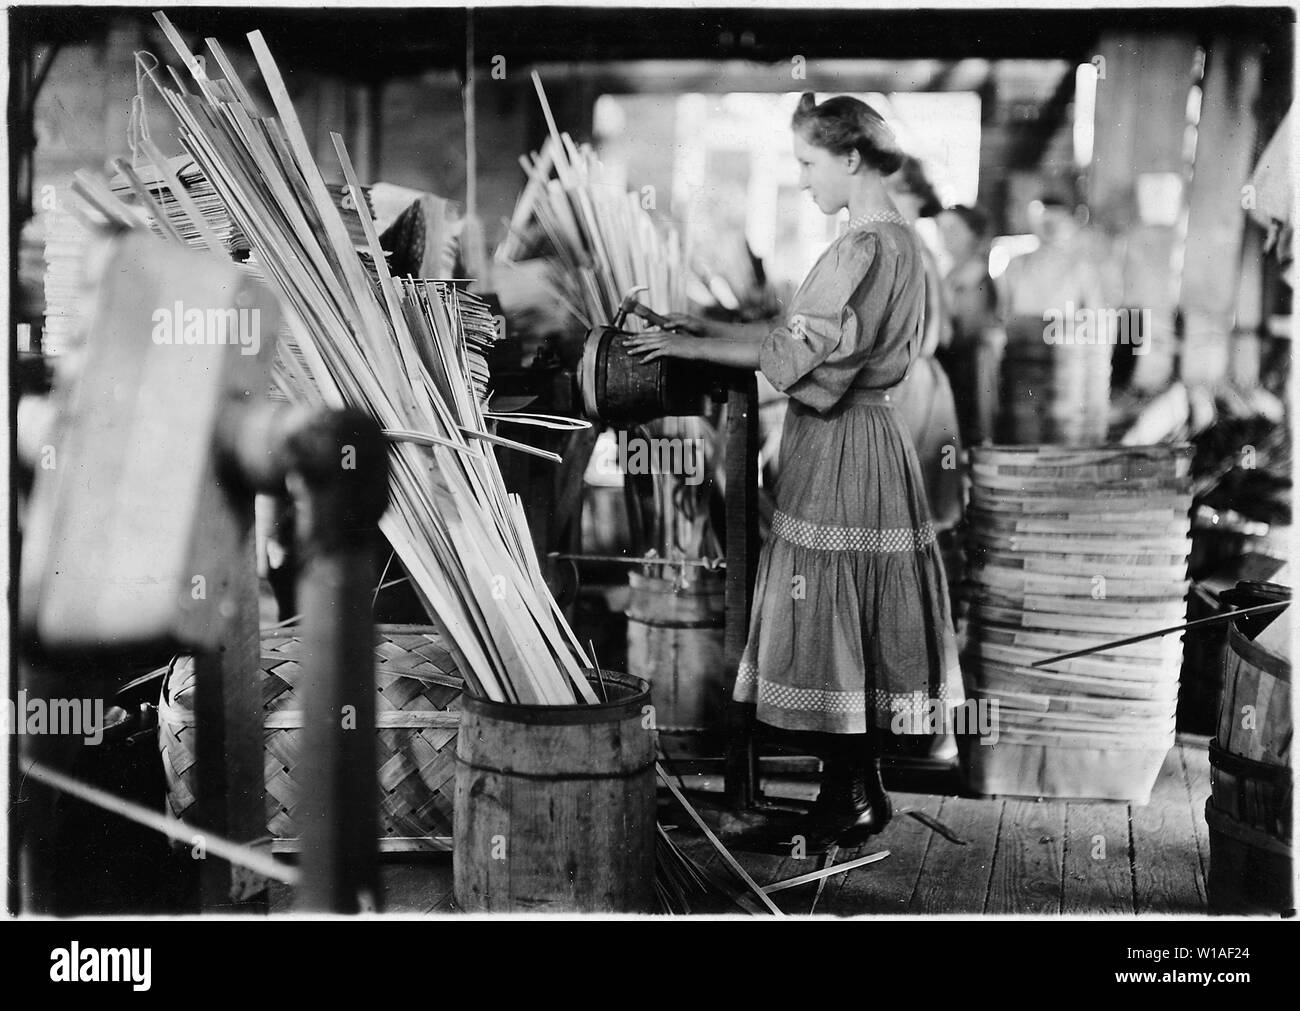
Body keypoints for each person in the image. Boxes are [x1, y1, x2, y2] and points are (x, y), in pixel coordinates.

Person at [624, 93, 962, 851]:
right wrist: (702, 328)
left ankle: (844, 793)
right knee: (855, 608)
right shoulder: (896, 244)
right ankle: (860, 787)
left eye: (810, 163)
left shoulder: (862, 249)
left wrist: (689, 350)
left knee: (828, 608)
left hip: (841, 442)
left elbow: (792, 358)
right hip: (871, 438)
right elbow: (797, 333)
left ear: (850, 157)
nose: (805, 180)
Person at [885, 158, 964, 534]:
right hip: (920, 377)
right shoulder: (917, 248)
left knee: (907, 499)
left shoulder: (907, 247)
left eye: (894, 190)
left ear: (914, 196)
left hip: (909, 381)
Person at [936, 204, 1003, 447]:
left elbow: (967, 333)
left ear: (973, 234)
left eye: (954, 228)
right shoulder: (952, 274)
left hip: (971, 369)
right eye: (942, 229)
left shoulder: (974, 277)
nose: (946, 236)